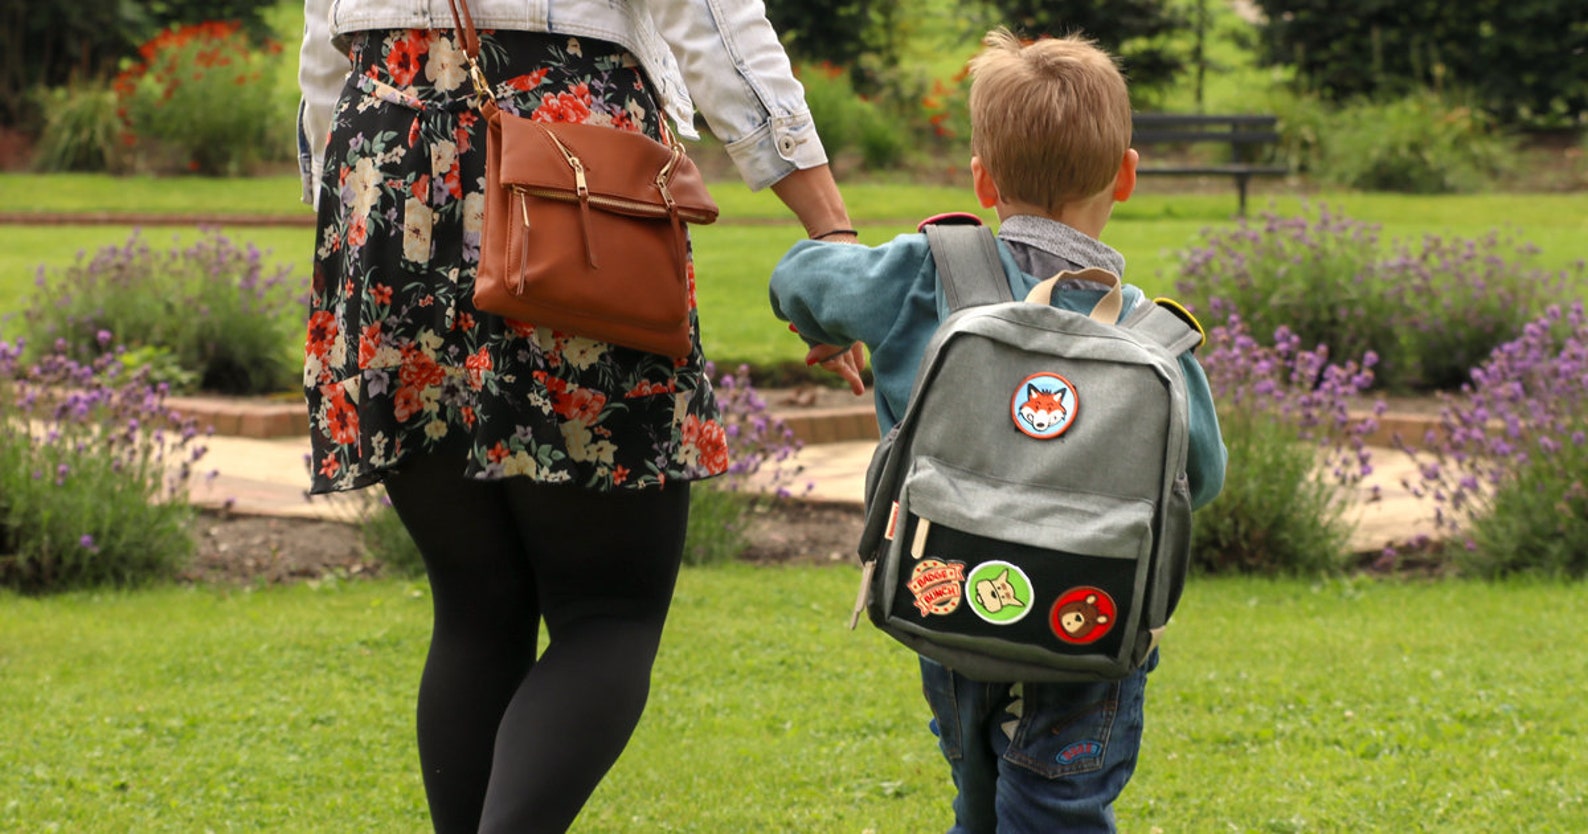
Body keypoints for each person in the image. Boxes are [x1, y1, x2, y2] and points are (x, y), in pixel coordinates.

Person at [295, 2, 859, 831]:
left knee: (475, 605)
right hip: (566, 170)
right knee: (610, 613)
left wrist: (341, 209)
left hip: (381, 173)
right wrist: (830, 231)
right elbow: (712, 19)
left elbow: (322, 53)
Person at [769, 29, 1227, 833]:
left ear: (981, 180)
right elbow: (1204, 476)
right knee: (1056, 803)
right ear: (1127, 174)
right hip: (1089, 622)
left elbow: (796, 279)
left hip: (945, 603)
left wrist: (830, 319)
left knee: (977, 791)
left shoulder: (922, 275)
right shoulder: (1155, 343)